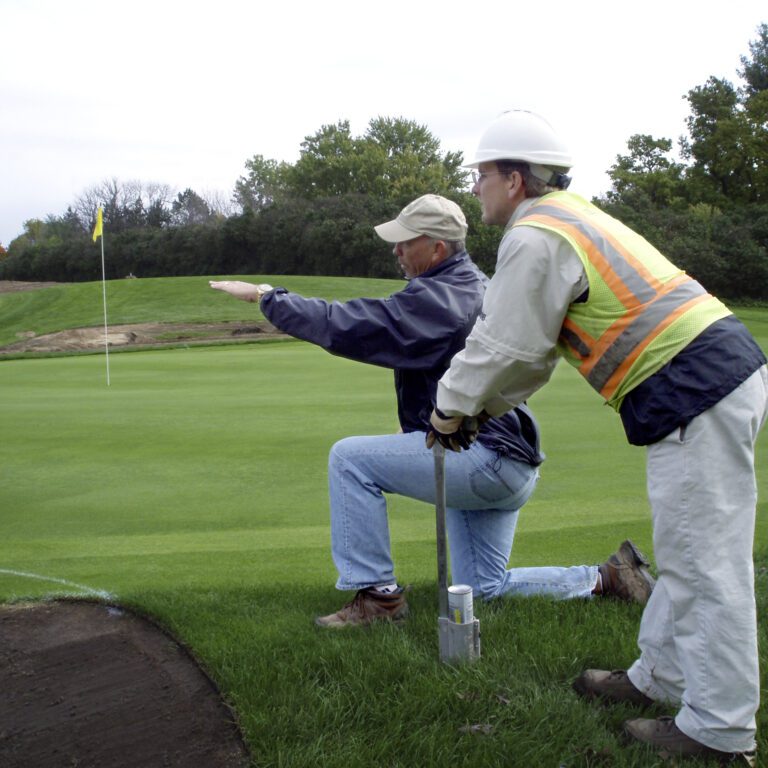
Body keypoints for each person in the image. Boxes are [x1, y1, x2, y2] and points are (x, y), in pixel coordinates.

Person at [427, 110, 767, 764]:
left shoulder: (534, 237)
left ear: (515, 179)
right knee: (686, 545)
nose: (477, 187)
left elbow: (503, 344)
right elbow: (533, 355)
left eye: (483, 174)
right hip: (707, 378)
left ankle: (720, 732)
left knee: (705, 562)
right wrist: (477, 412)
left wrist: (450, 409)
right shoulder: (568, 216)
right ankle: (660, 678)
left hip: (695, 383)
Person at [210, 194, 653, 629]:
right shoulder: (470, 284)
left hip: (483, 456)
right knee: (482, 588)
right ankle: (607, 579)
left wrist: (266, 297)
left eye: (406, 242)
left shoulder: (440, 300)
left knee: (349, 459)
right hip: (508, 458)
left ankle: (378, 598)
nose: (397, 251)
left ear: (437, 248)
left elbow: (346, 324)